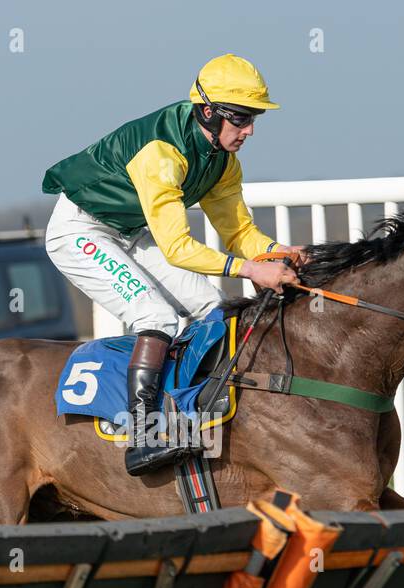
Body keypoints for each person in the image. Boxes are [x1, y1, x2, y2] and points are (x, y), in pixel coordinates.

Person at [43, 54, 303, 476]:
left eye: (253, 118)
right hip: (81, 231)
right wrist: (253, 270)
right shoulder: (162, 153)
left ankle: (189, 407)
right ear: (208, 111)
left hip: (131, 230)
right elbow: (180, 249)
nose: (249, 130)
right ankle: (143, 435)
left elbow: (240, 233)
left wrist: (277, 251)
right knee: (155, 314)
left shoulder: (223, 160)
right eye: (240, 118)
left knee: (212, 306)